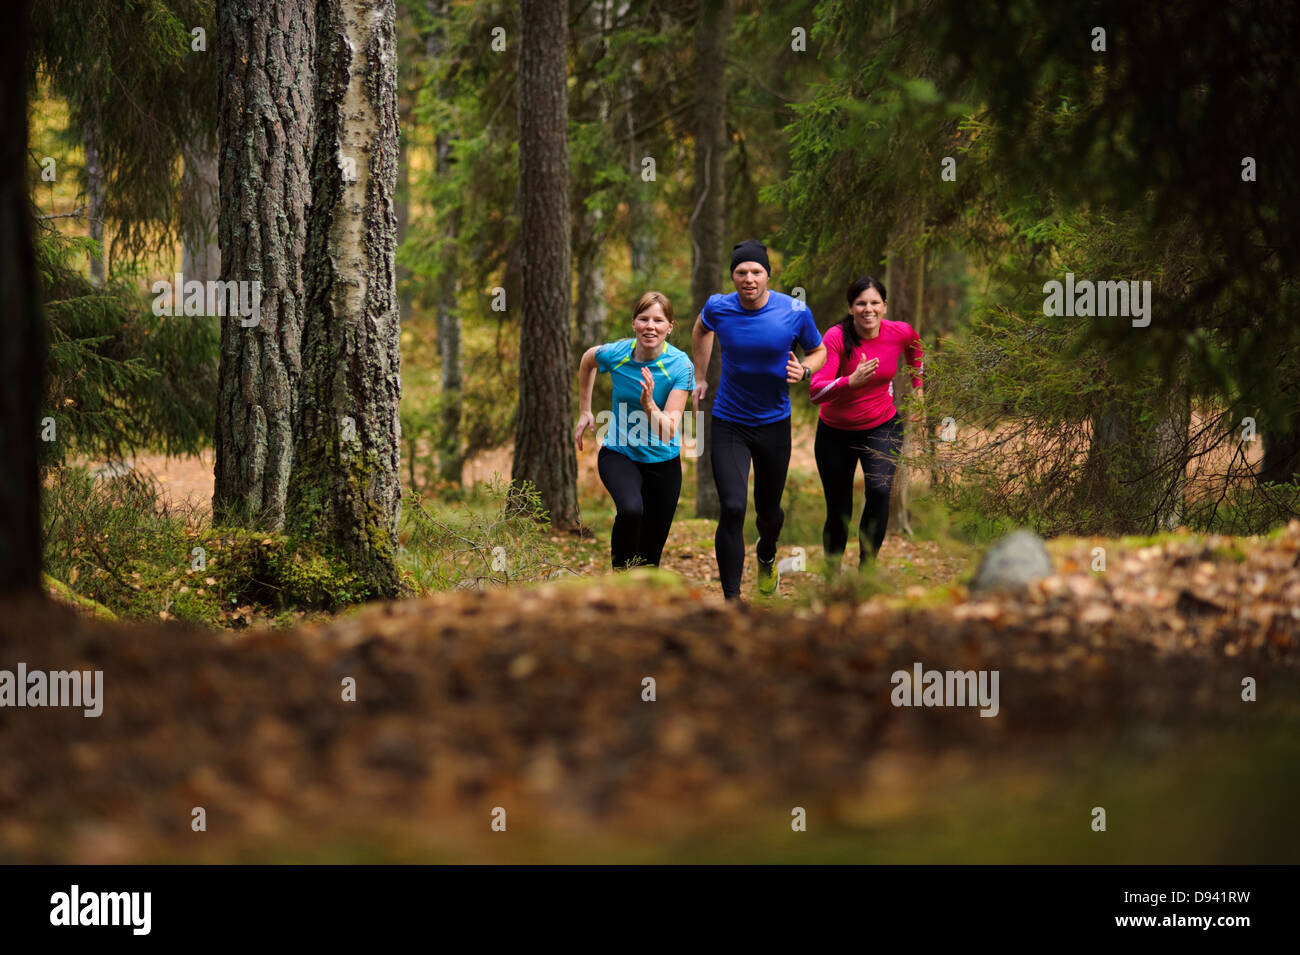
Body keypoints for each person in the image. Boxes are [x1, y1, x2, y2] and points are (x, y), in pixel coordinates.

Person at [691, 239, 827, 601]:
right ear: (732, 276)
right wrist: (700, 376)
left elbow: (819, 350)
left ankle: (767, 553)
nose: (748, 278)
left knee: (769, 512)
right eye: (741, 272)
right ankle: (732, 598)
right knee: (733, 507)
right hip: (729, 422)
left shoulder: (795, 310)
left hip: (774, 424)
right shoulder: (718, 307)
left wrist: (806, 370)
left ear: (768, 275)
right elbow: (702, 329)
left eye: (756, 271)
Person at [808, 275, 924, 573]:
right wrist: (851, 381)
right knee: (839, 508)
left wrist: (919, 387)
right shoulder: (834, 338)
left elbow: (915, 349)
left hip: (882, 426)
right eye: (861, 303)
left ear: (884, 306)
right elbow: (816, 391)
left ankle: (867, 569)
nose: (868, 309)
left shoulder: (899, 332)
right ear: (851, 308)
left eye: (874, 303)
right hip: (835, 433)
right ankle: (833, 573)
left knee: (880, 492)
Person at [575, 291, 695, 570]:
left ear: (670, 327)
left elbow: (669, 431)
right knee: (631, 509)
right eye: (643, 319)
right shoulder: (617, 354)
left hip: (663, 462)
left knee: (650, 554)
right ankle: (619, 576)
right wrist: (585, 410)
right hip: (619, 453)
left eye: (658, 320)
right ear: (634, 323)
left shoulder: (681, 365)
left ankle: (641, 599)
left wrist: (650, 404)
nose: (650, 326)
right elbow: (587, 360)